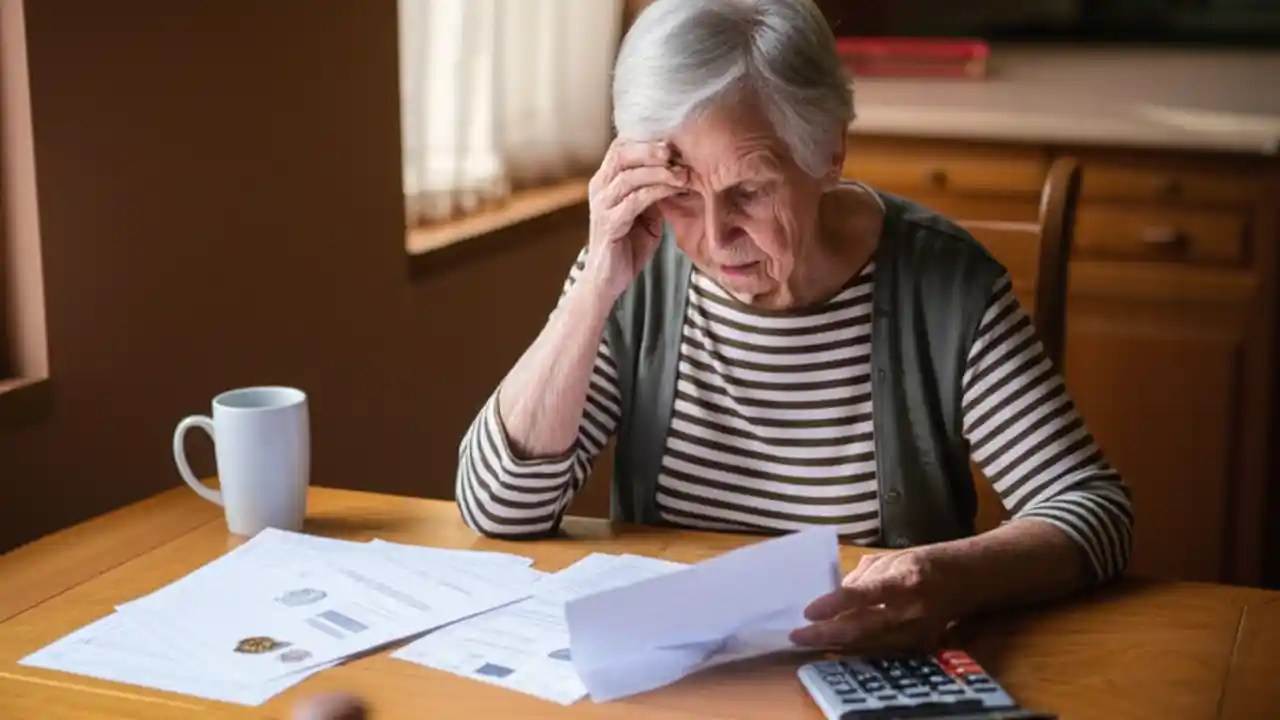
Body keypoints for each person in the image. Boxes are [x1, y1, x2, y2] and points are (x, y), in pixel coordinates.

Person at [455, 0, 1132, 652]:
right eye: (683, 196)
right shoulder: (637, 266)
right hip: (686, 691)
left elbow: (1092, 509)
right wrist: (594, 288)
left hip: (870, 680)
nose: (716, 239)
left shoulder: (945, 288)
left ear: (829, 152)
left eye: (749, 191)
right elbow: (498, 509)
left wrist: (948, 579)